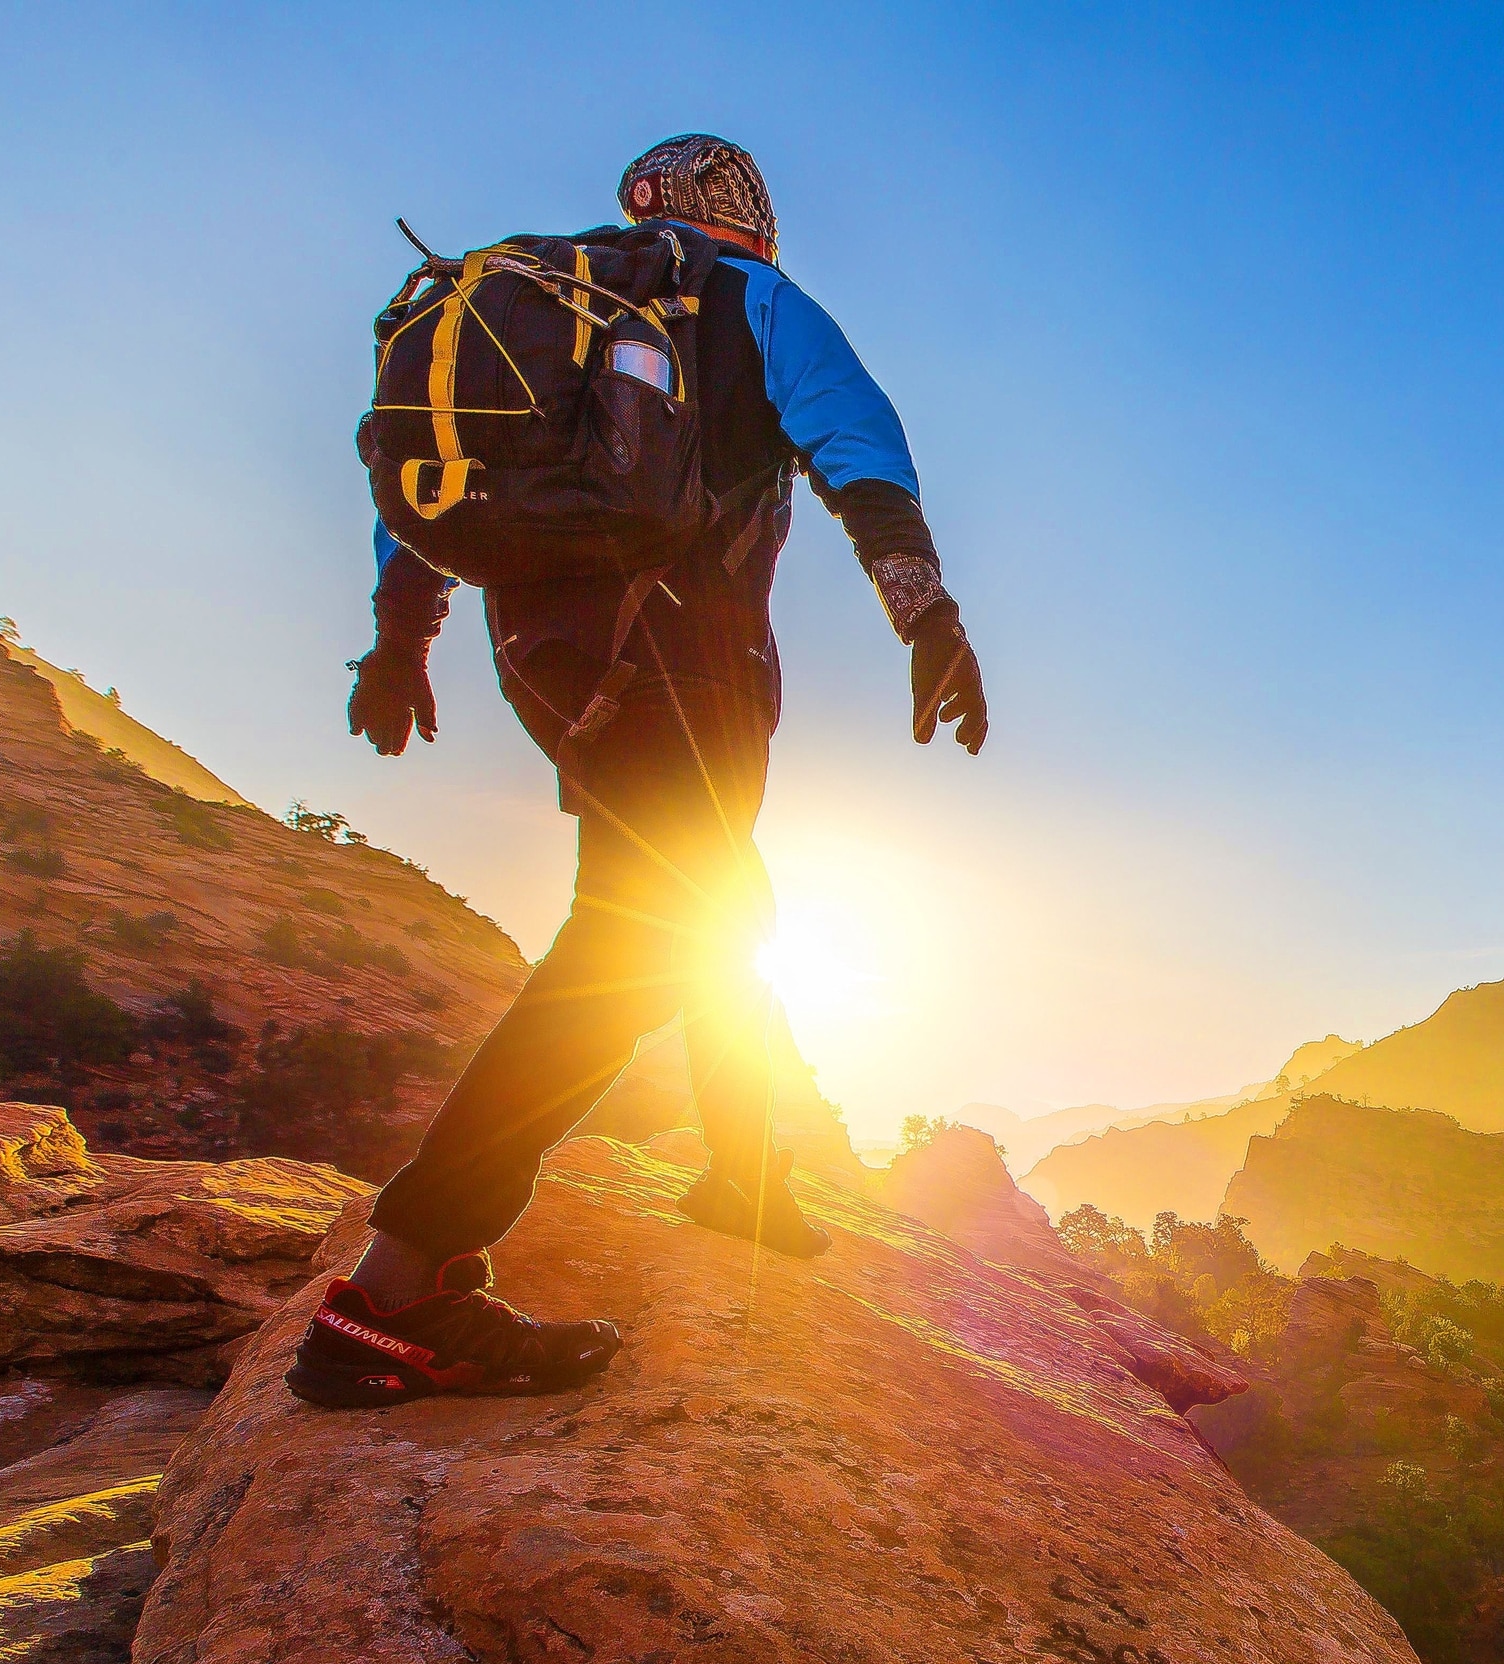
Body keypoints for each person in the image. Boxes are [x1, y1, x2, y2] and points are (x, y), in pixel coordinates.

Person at [287, 135, 986, 1410]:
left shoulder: (552, 312)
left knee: (716, 906)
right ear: (756, 216)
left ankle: (747, 1179)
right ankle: (395, 1295)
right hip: (685, 650)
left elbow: (430, 486)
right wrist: (925, 613)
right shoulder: (745, 298)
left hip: (550, 659)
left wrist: (399, 647)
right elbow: (856, 444)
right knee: (639, 938)